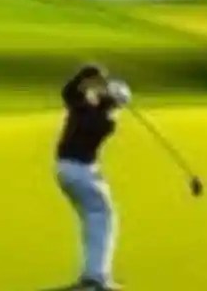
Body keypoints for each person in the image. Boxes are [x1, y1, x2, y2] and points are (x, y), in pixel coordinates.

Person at [55, 63, 127, 291]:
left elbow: (69, 92)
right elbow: (75, 95)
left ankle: (92, 275)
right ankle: (96, 278)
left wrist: (85, 76)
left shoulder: (83, 109)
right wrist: (90, 79)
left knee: (93, 218)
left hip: (64, 169)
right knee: (103, 217)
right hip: (81, 172)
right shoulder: (106, 121)